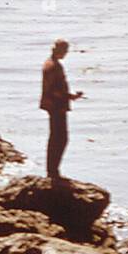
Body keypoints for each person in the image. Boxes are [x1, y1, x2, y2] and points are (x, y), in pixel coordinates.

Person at [40, 38, 83, 180]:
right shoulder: (53, 66)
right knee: (59, 138)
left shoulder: (51, 64)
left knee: (57, 138)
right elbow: (53, 90)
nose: (66, 53)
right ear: (58, 50)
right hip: (56, 106)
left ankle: (53, 171)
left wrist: (69, 97)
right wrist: (70, 97)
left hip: (55, 105)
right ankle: (53, 171)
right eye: (65, 50)